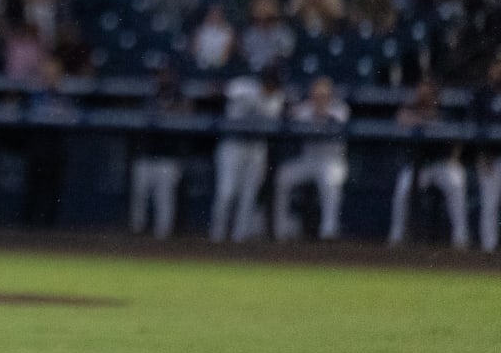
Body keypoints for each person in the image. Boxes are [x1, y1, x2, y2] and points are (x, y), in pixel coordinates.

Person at [388, 79, 469, 249]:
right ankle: (396, 236)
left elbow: (457, 139)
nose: (424, 96)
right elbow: (401, 119)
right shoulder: (410, 110)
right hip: (419, 165)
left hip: (442, 164)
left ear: (435, 96)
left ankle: (461, 238)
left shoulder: (446, 113)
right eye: (421, 93)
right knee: (403, 190)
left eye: (428, 94)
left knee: (456, 183)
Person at [209, 65, 285, 243]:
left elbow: (273, 114)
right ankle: (216, 236)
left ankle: (239, 238)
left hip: (256, 147)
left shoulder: (277, 98)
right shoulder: (243, 86)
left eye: (274, 84)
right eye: (269, 82)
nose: (271, 87)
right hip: (232, 144)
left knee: (249, 195)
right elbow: (215, 91)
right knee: (226, 192)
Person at [272, 76, 350, 241]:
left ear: (330, 95)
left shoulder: (340, 109)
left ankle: (328, 232)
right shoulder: (305, 108)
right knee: (282, 178)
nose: (319, 98)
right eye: (316, 94)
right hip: (309, 160)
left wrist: (315, 112)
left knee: (331, 183)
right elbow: (287, 115)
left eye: (323, 95)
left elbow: (332, 121)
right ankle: (281, 230)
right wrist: (289, 108)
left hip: (332, 161)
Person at [130, 64, 193, 239]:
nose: (162, 79)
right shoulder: (148, 97)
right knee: (139, 196)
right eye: (159, 75)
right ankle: (137, 232)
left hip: (169, 156)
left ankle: (162, 238)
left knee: (164, 199)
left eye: (165, 75)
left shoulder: (180, 97)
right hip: (146, 154)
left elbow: (187, 115)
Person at [472, 54, 501, 253]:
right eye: (496, 65)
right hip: (490, 157)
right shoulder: (482, 94)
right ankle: (488, 249)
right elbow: (473, 127)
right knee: (489, 204)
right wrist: (481, 153)